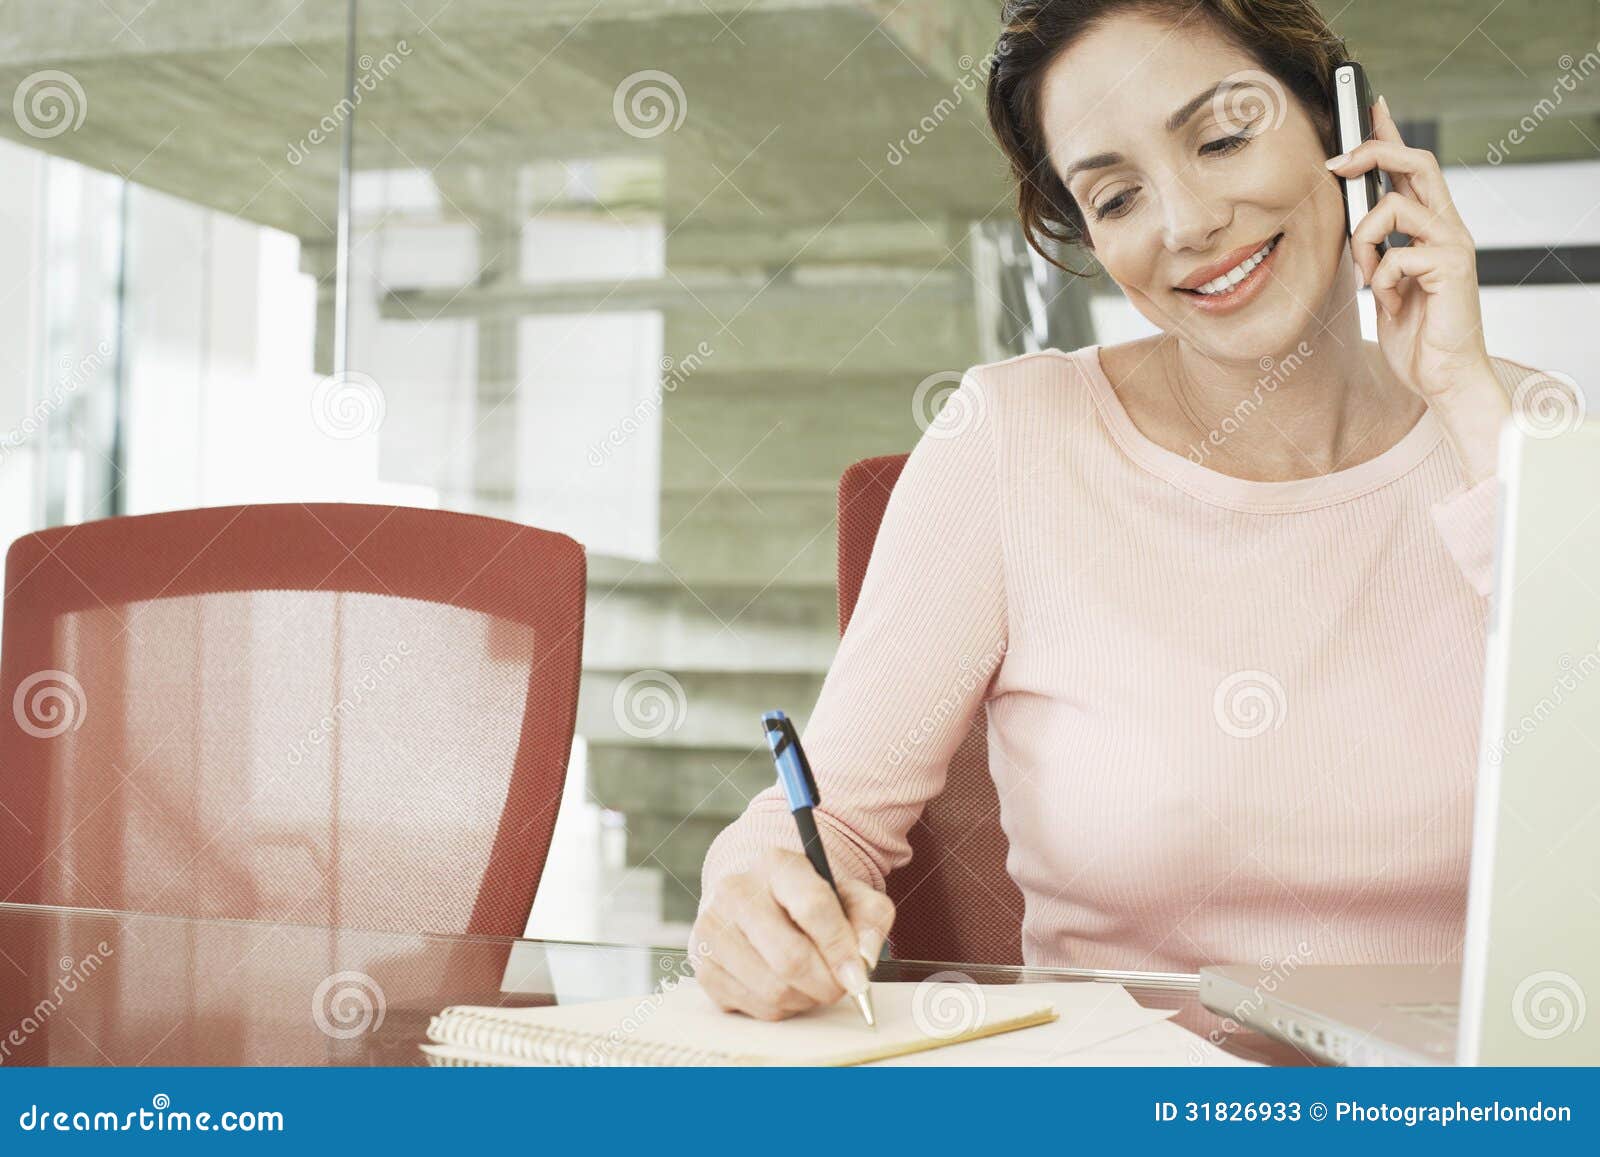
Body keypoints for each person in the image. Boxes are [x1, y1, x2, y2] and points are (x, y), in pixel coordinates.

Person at [690, 0, 1554, 1021]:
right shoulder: (1010, 438)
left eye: (1222, 137)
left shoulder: (1525, 428)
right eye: (1115, 196)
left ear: (1346, 125)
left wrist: (1463, 403)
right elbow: (824, 820)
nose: (1185, 224)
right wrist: (754, 891)